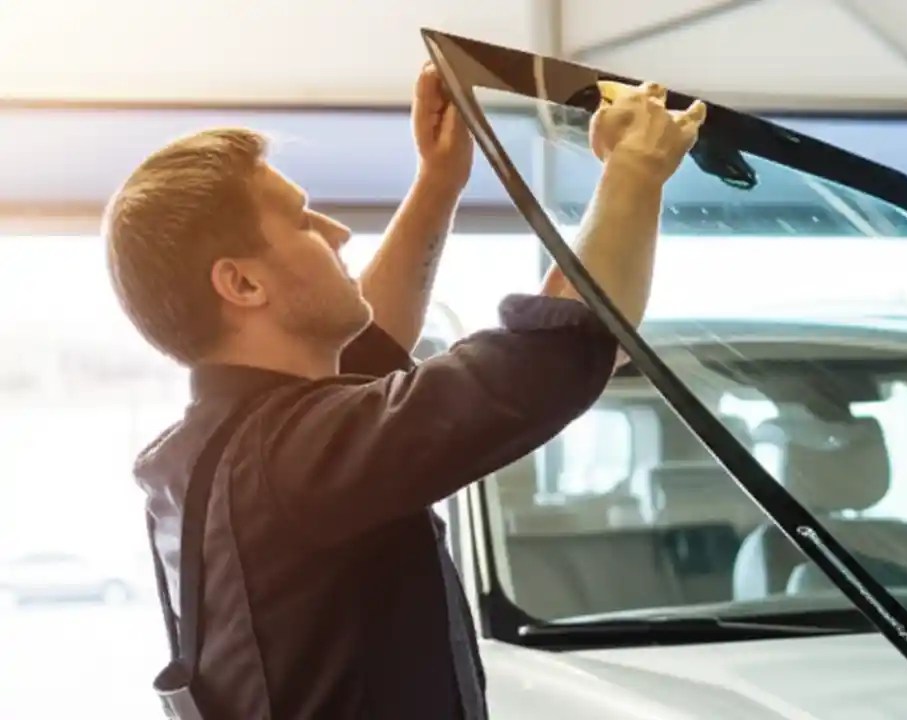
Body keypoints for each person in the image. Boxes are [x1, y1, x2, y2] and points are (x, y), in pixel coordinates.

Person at [104, 63, 705, 719]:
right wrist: (635, 172)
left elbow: (368, 355)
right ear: (243, 286)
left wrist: (439, 182)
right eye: (303, 222)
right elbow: (558, 356)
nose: (338, 234)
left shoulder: (216, 455)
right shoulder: (295, 459)